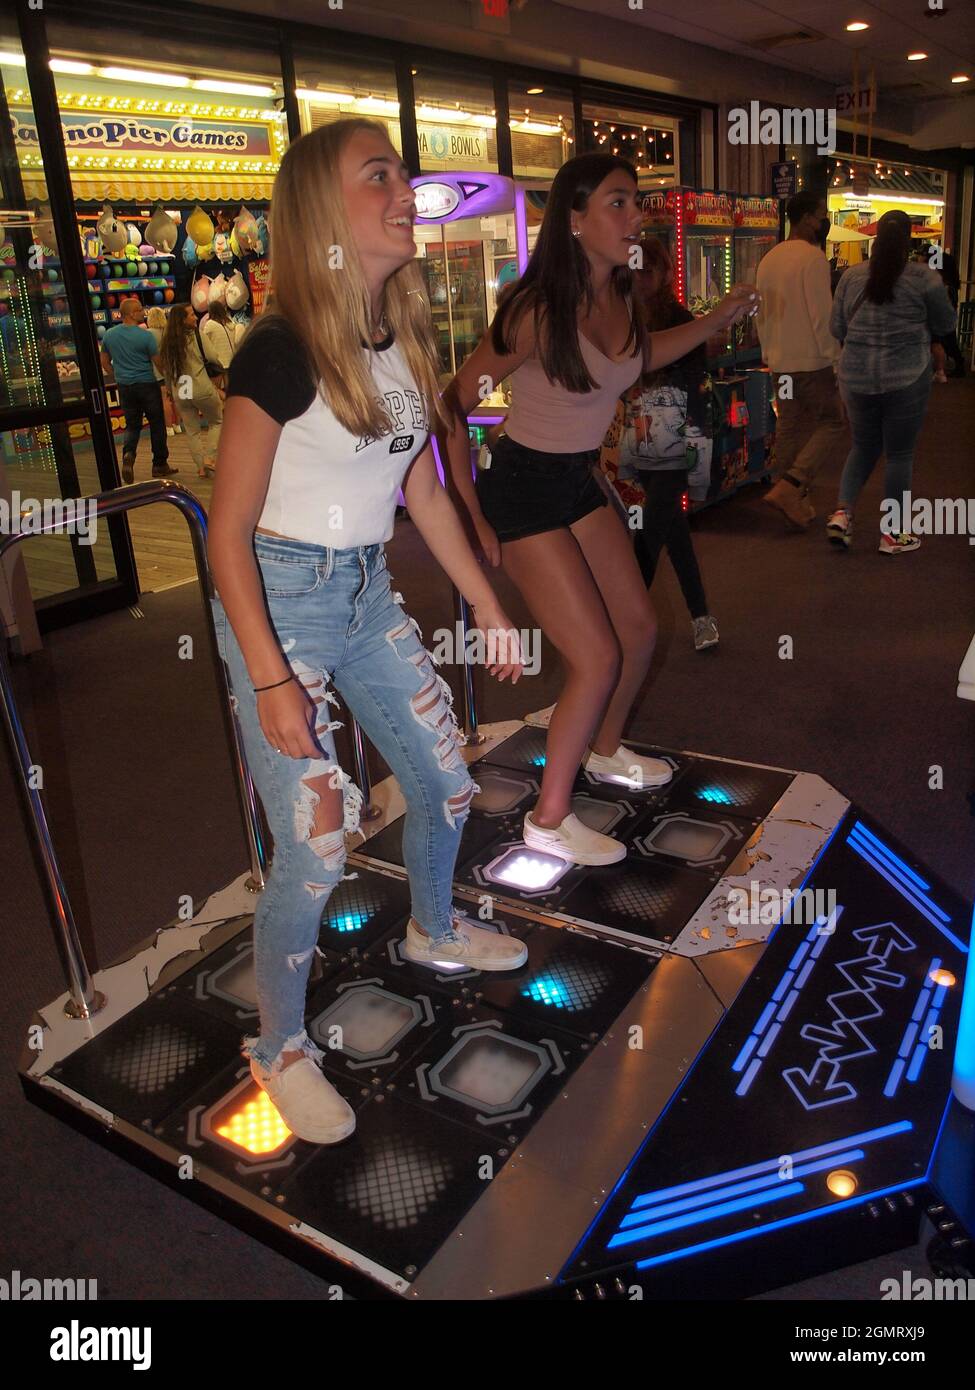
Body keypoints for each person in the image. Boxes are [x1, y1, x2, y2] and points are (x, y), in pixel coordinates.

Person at [207, 118, 527, 1144]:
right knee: (314, 844)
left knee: (446, 779)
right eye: (379, 175)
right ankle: (279, 1048)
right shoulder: (278, 351)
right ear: (320, 211)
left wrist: (483, 599)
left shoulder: (400, 340)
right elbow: (225, 539)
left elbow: (424, 494)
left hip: (363, 593)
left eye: (403, 171)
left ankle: (435, 929)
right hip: (276, 598)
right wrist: (270, 679)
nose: (406, 189)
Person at [440, 152, 757, 868]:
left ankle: (605, 751)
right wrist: (468, 511)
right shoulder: (533, 311)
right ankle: (548, 822)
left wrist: (719, 316)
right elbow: (451, 404)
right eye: (618, 202)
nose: (634, 215)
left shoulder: (618, 296)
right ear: (574, 219)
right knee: (596, 655)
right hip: (520, 490)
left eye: (634, 202)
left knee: (640, 629)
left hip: (578, 483)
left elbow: (638, 358)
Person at [599, 236, 718, 652]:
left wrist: (696, 443)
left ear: (664, 273)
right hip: (634, 434)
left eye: (648, 270)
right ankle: (701, 616)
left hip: (674, 436)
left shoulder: (680, 319)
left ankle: (623, 619)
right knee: (670, 528)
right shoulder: (623, 317)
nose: (641, 277)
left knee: (651, 529)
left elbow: (697, 387)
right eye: (634, 269)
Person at [826, 209, 956, 555]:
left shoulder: (851, 277)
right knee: (899, 454)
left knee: (863, 447)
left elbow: (837, 328)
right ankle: (893, 534)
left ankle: (842, 513)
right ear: (908, 241)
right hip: (906, 377)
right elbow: (945, 324)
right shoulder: (924, 279)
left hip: (855, 377)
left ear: (876, 239)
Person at [754, 191, 847, 530]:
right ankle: (792, 486)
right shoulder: (812, 259)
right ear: (808, 217)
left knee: (789, 425)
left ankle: (791, 496)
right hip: (811, 362)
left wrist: (768, 350)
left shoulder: (770, 259)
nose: (824, 221)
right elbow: (822, 316)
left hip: (781, 362)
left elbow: (760, 312)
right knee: (833, 421)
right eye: (822, 215)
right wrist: (833, 359)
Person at [99, 296, 177, 482]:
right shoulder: (145, 336)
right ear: (132, 314)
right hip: (146, 384)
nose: (144, 312)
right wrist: (168, 382)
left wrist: (117, 373)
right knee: (157, 423)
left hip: (125, 386)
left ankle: (129, 454)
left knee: (132, 424)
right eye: (141, 309)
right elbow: (158, 363)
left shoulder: (109, 334)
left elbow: (104, 361)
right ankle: (159, 464)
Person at [157, 303, 224, 478]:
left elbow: (167, 370)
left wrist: (170, 390)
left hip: (181, 388)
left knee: (192, 430)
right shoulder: (197, 336)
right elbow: (213, 357)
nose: (195, 317)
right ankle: (210, 458)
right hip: (200, 385)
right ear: (183, 320)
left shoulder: (167, 342)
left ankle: (201, 467)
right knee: (217, 421)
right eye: (191, 315)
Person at [202, 299, 246, 389]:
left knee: (216, 389)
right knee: (229, 387)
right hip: (230, 359)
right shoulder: (229, 323)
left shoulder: (210, 325)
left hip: (218, 362)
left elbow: (204, 341)